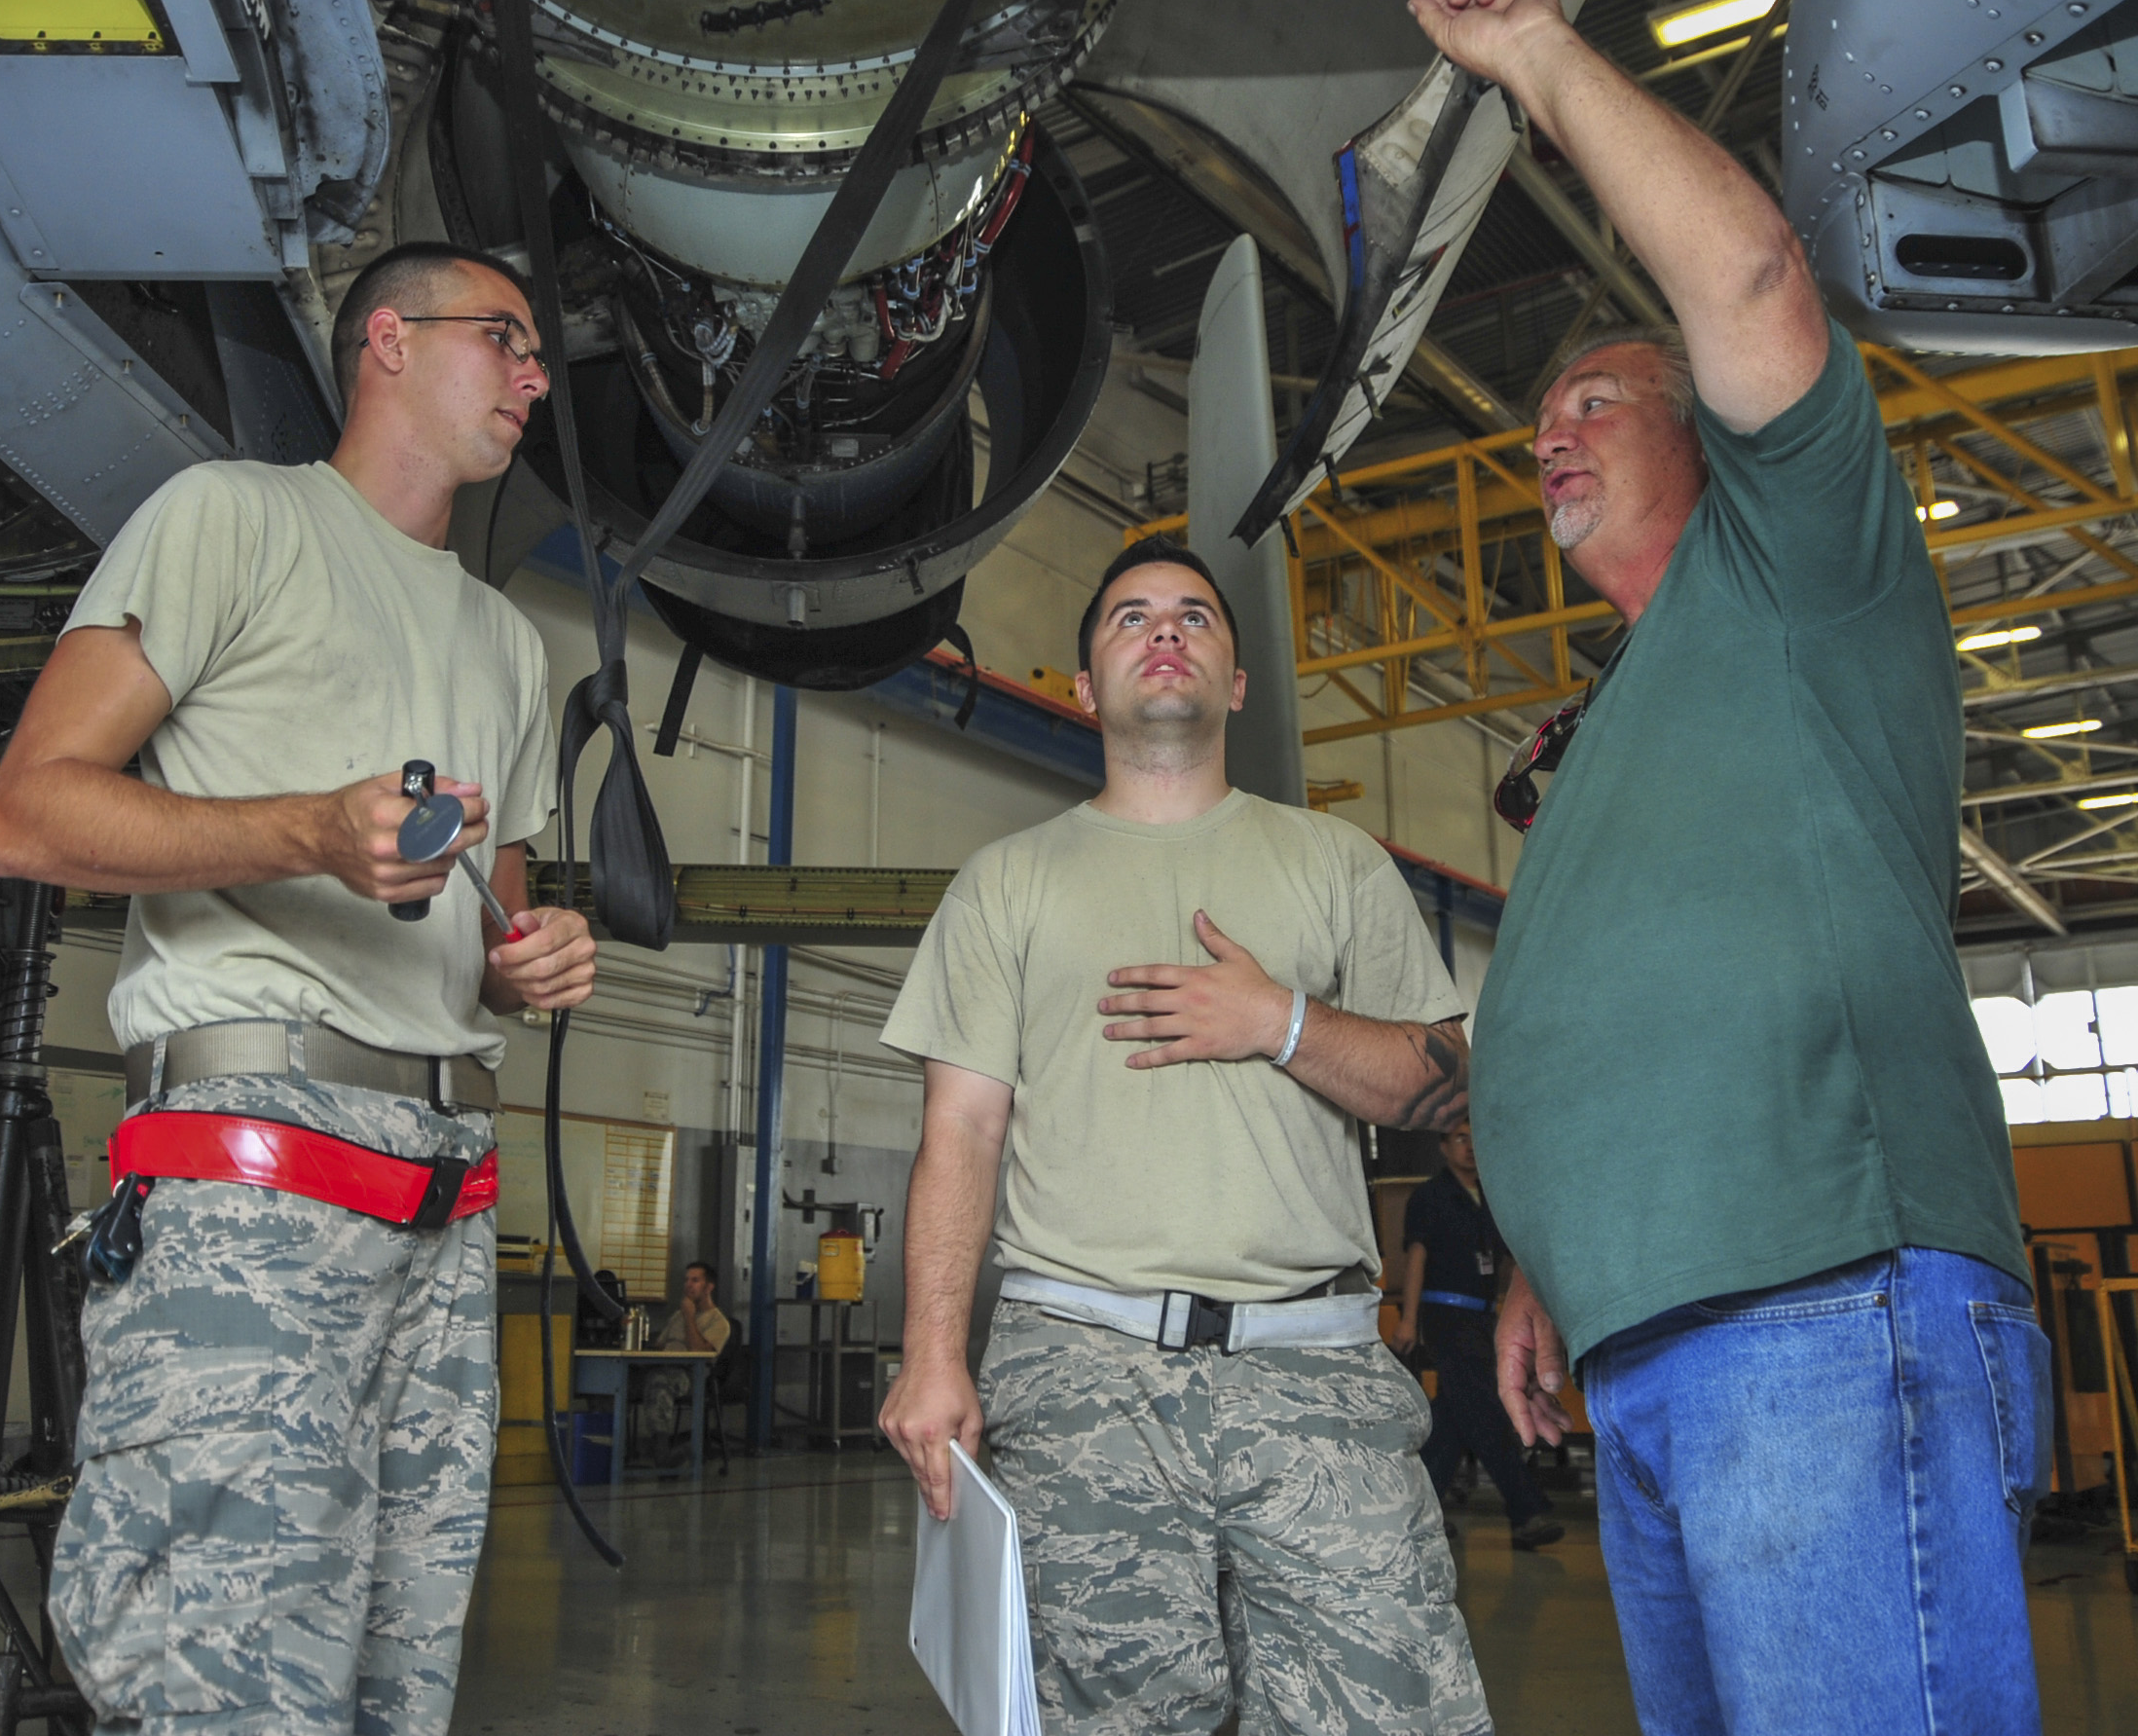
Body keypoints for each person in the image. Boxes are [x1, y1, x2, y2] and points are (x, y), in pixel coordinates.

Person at [1402, 0, 2048, 1733]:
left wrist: (1534, 57)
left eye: (1592, 399)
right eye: (1542, 416)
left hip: (1820, 1308)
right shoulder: (1611, 717)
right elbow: (1609, 1025)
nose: (1545, 429)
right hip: (1659, 1339)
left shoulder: (1802, 579)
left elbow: (1752, 276)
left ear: (1710, 429)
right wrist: (1551, 1257)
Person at [0, 240, 599, 1736]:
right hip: (253, 1172)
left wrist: (538, 960)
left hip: (447, 1191)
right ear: (386, 339)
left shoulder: (509, 645)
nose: (534, 376)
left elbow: (497, 928)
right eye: (504, 338)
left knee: (394, 1664)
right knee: (224, 1666)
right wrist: (304, 832)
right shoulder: (230, 520)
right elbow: (27, 815)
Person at [878, 535, 1492, 1736]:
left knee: (1384, 1708)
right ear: (1083, 687)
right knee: (1108, 1712)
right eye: (1129, 618)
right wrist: (930, 1350)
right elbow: (959, 1128)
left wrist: (1281, 1020)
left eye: (1196, 616)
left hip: (1313, 1361)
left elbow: (1448, 1087)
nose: (1165, 631)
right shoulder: (1006, 882)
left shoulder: (1336, 864)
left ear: (1239, 682)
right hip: (1081, 1372)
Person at [1392, 1123, 1563, 1550]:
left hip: (1483, 1320)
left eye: (1474, 1137)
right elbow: (1416, 1258)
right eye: (1459, 1138)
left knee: (1457, 1413)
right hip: (1444, 1316)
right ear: (1443, 1147)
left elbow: (1505, 1264)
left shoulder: (1491, 1197)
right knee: (1485, 1409)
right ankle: (1527, 1511)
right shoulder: (1429, 1197)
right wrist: (1409, 1320)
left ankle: (1417, 1512)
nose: (1469, 1147)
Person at [636, 1259, 733, 1459]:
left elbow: (699, 1352)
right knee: (620, 1382)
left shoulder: (718, 1322)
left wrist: (690, 1317)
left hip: (690, 1374)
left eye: (695, 1280)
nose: (688, 1285)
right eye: (687, 1280)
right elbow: (659, 1346)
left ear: (709, 1287)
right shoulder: (677, 1316)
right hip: (662, 1365)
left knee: (659, 1382)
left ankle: (662, 1452)